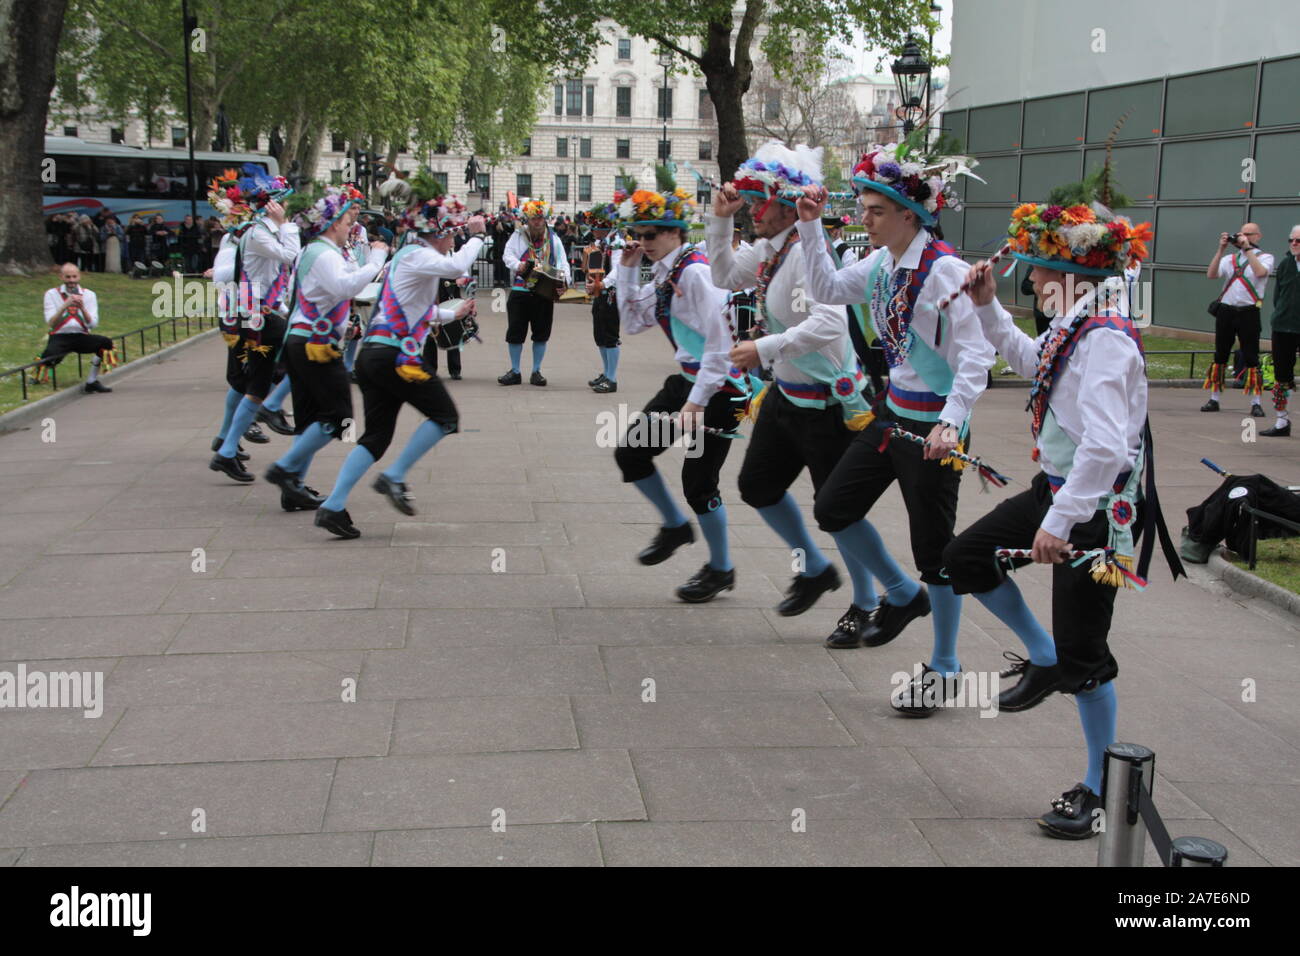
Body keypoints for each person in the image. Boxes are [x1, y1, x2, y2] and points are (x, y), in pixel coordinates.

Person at [944, 184, 1183, 838]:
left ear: (1071, 273)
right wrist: (990, 311)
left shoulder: (1105, 340)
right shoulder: (1073, 325)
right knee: (964, 557)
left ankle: (1102, 785)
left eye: (1040, 268)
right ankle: (1042, 655)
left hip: (1098, 512)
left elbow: (1107, 446)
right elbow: (1030, 362)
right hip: (1062, 491)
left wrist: (1059, 522)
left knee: (1087, 652)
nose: (1033, 278)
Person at [796, 143, 994, 722]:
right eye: (864, 207)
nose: (865, 217)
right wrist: (811, 229)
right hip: (893, 414)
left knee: (938, 551)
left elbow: (976, 357)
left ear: (911, 213)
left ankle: (945, 666)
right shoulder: (882, 265)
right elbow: (828, 290)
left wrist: (952, 425)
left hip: (935, 425)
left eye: (876, 209)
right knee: (833, 507)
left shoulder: (946, 273)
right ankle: (902, 595)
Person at [708, 141, 881, 625]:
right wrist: (720, 220)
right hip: (787, 397)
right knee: (758, 486)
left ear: (785, 208)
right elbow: (723, 275)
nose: (752, 213)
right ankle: (815, 569)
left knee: (839, 510)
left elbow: (831, 323)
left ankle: (868, 605)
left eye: (757, 203)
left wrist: (763, 349)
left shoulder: (808, 253)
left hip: (830, 405)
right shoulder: (769, 249)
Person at [612, 179, 753, 602]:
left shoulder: (694, 272)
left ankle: (721, 569)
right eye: (637, 234)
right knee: (631, 452)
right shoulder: (665, 269)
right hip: (689, 382)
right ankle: (675, 526)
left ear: (676, 231)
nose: (643, 241)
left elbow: (722, 345)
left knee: (700, 483)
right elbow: (634, 323)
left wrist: (695, 404)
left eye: (651, 234)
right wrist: (625, 269)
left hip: (722, 389)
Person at [312, 199, 483, 538]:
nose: (454, 244)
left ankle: (332, 506)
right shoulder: (421, 255)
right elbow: (457, 267)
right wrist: (478, 235)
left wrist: (454, 314)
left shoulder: (404, 258)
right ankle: (395, 476)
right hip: (395, 357)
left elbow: (417, 311)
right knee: (445, 416)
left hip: (373, 355)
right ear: (440, 233)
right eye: (452, 235)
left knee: (376, 436)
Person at [262, 185, 387, 508]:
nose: (351, 230)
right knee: (338, 417)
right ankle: (284, 469)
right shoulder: (323, 253)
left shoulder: (309, 252)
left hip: (303, 336)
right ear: (333, 224)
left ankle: (293, 489)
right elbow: (345, 287)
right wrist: (376, 260)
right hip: (314, 343)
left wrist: (341, 322)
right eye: (348, 223)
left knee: (308, 419)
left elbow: (310, 293)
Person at [207, 165, 302, 487]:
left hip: (260, 313)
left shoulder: (260, 230)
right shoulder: (259, 232)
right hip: (256, 317)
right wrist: (286, 225)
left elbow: (277, 277)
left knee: (253, 385)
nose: (287, 208)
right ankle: (268, 412)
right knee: (298, 362)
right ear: (272, 204)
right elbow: (293, 257)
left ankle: (227, 446)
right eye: (284, 203)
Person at [1201, 223, 1274, 415]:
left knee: (1251, 357)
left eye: (1249, 234)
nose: (1245, 237)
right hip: (1226, 311)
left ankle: (1256, 402)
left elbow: (1260, 273)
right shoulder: (1230, 258)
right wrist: (1221, 248)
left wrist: (1248, 248)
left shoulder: (1266, 258)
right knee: (1220, 355)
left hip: (1249, 311)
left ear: (1258, 236)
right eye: (1243, 234)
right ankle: (1214, 399)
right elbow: (1211, 274)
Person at [499, 198, 570, 386]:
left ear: (545, 219)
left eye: (540, 218)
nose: (537, 222)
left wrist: (564, 281)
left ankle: (536, 371)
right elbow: (507, 254)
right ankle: (515, 371)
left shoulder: (554, 239)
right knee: (515, 332)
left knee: (541, 333)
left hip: (544, 293)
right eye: (533, 219)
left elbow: (563, 262)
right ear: (527, 220)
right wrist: (518, 265)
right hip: (520, 291)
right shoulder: (518, 236)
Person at [39, 262, 117, 393]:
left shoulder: (89, 295)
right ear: (61, 277)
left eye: (74, 277)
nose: (71, 281)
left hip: (81, 336)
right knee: (49, 358)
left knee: (106, 344)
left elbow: (93, 324)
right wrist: (64, 306)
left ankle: (92, 381)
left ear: (79, 276)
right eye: (68, 277)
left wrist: (82, 308)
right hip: (60, 336)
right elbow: (51, 323)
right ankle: (39, 375)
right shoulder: (51, 294)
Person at [581, 202, 625, 393]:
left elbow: (619, 270)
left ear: (603, 226)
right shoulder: (601, 244)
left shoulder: (617, 243)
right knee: (600, 334)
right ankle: (606, 373)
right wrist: (592, 282)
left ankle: (612, 378)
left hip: (612, 295)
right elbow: (595, 268)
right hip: (601, 294)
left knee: (610, 335)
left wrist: (602, 284)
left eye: (595, 226)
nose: (592, 230)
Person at [1261, 225, 1300, 438]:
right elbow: (1278, 296)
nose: (1293, 244)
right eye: (1291, 240)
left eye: (1298, 241)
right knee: (1281, 374)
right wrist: (1280, 316)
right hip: (1283, 326)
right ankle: (1281, 420)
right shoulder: (1286, 264)